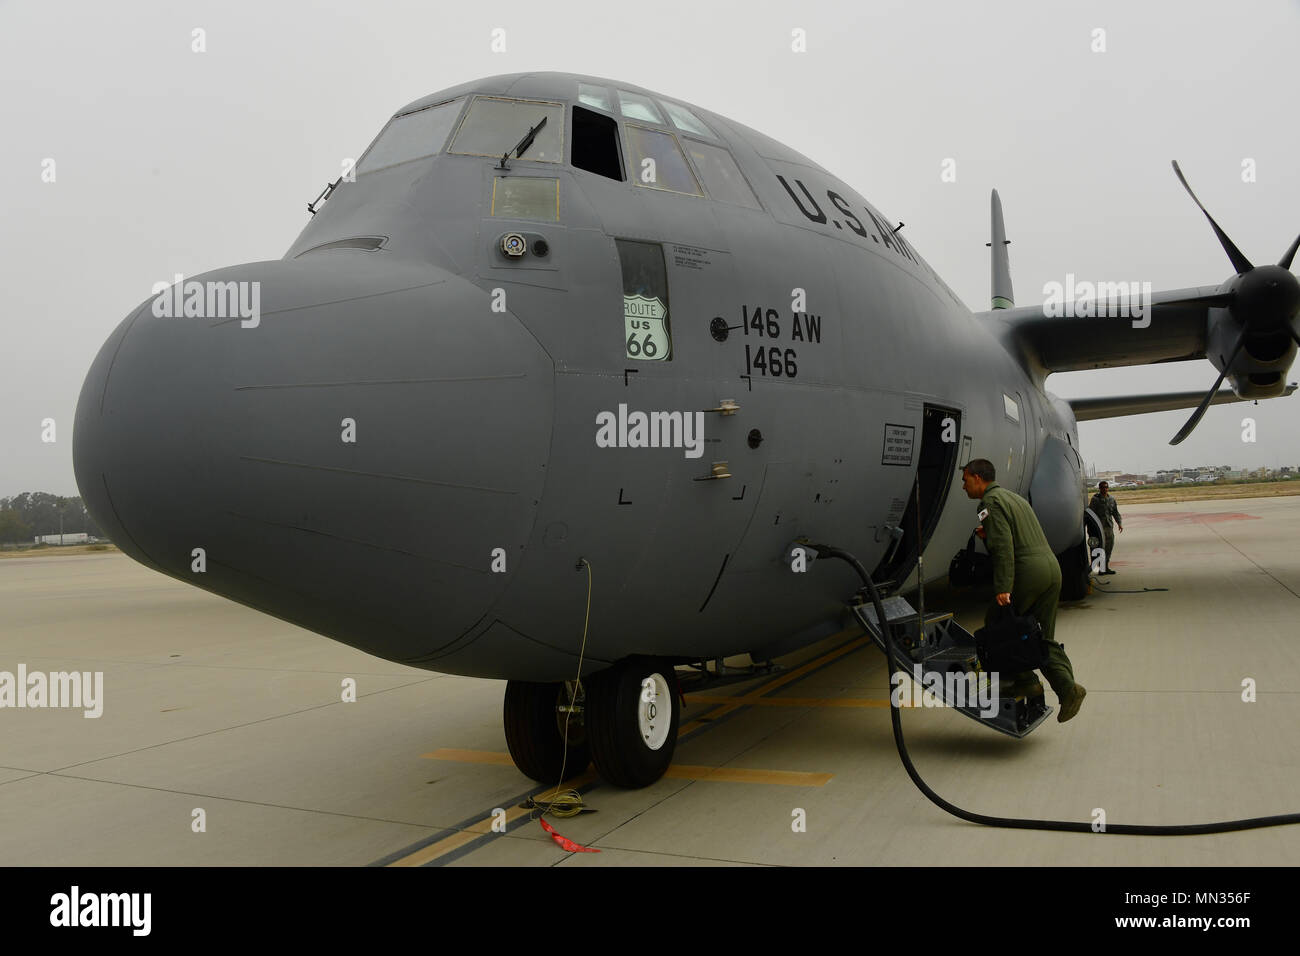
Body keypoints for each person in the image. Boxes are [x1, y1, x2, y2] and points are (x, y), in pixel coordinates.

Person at [961, 458, 1087, 723]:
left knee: (997, 625)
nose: (963, 486)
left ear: (977, 477)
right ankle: (1068, 690)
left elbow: (1005, 547)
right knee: (1042, 638)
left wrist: (1003, 587)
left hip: (1027, 571)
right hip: (1051, 569)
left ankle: (1023, 681)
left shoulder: (990, 503)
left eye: (965, 480)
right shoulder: (1014, 498)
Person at [1087, 481, 1123, 574]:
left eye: (1106, 487)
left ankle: (1105, 567)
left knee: (1109, 547)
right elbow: (1091, 514)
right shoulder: (1095, 500)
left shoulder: (1111, 499)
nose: (1105, 489)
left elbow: (1115, 512)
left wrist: (1119, 523)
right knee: (1099, 549)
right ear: (1099, 488)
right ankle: (1099, 568)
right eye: (1102, 487)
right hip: (1099, 528)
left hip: (1108, 527)